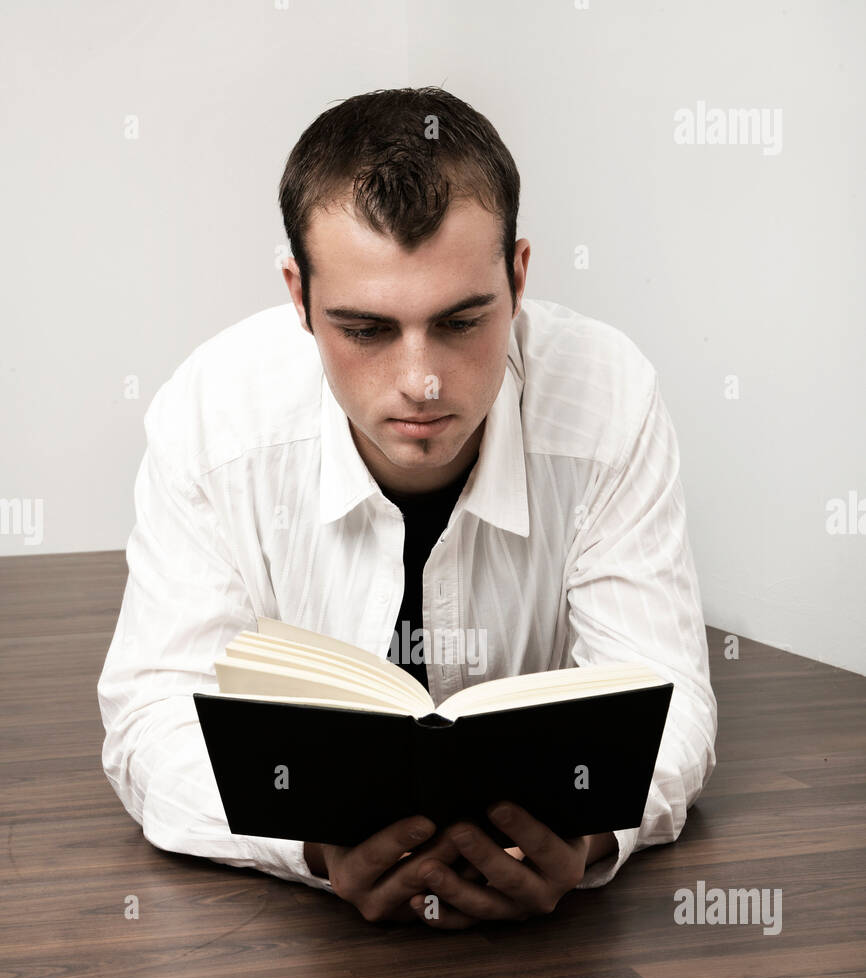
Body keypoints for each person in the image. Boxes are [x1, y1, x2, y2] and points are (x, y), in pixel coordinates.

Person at [97, 86, 717, 930]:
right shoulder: (212, 415)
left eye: (462, 322)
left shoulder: (608, 396)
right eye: (366, 330)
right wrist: (310, 847)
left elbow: (668, 693)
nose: (420, 381)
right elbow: (151, 716)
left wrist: (594, 836)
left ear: (520, 278)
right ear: (299, 298)